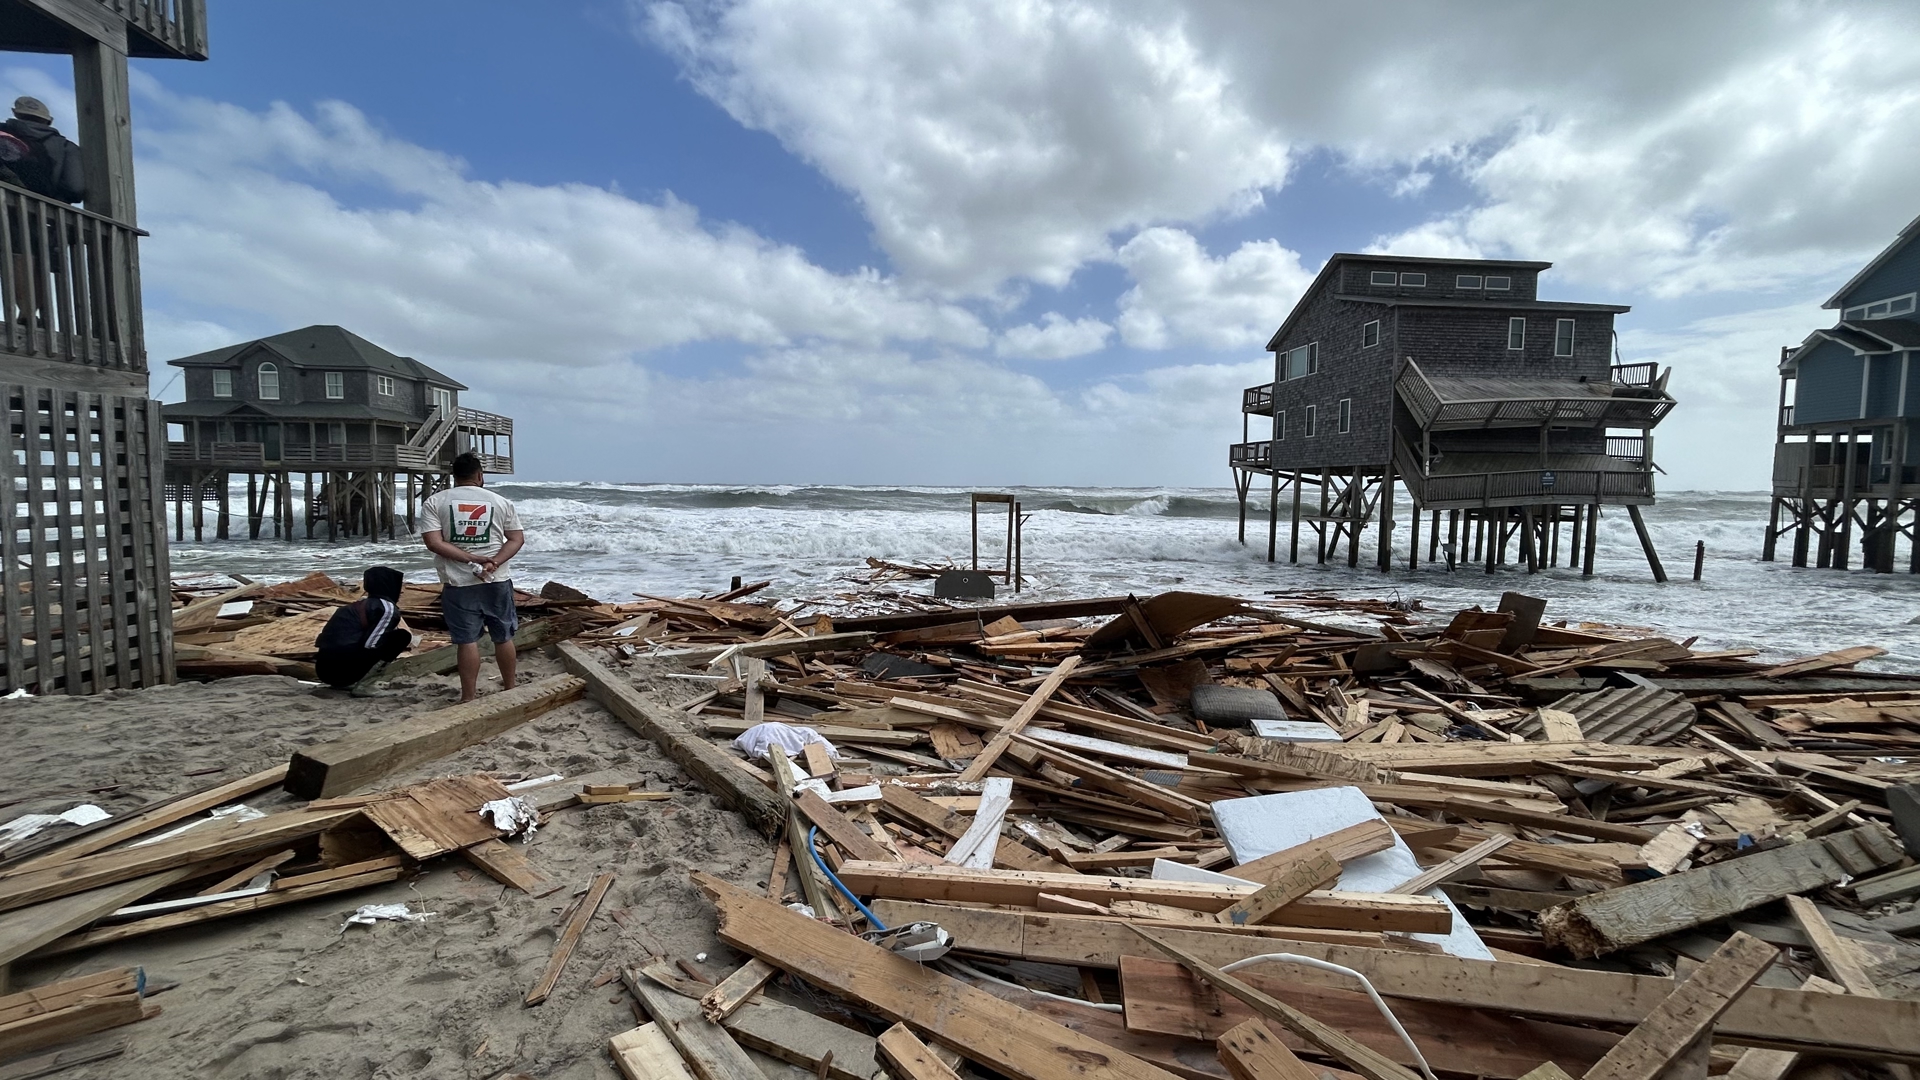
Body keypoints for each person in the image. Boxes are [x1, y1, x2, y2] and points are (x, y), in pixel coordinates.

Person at [420, 452, 525, 702]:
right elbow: (516, 539)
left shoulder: (435, 502)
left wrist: (471, 559)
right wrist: (494, 562)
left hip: (458, 582)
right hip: (496, 579)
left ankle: (468, 697)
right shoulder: (500, 502)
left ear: (453, 476)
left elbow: (434, 543)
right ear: (480, 476)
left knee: (467, 641)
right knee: (503, 636)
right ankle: (509, 688)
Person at [313, 566, 412, 689]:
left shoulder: (355, 606)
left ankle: (351, 682)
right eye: (400, 585)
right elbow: (371, 644)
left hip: (324, 671)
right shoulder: (386, 608)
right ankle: (366, 685)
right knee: (401, 636)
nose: (401, 591)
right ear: (390, 585)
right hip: (343, 672)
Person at [0, 97, 85, 204]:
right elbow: (75, 189)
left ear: (15, 113)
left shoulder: (2, 131)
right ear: (49, 120)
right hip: (38, 213)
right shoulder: (66, 147)